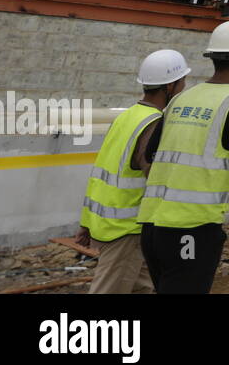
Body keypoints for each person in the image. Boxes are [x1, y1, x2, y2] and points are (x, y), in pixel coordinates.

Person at [139, 21, 229, 294]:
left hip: (151, 226)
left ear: (213, 57)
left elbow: (150, 153)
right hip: (192, 227)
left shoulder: (181, 99)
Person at [77, 49, 190, 294]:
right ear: (170, 86)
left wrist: (86, 222)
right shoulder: (155, 124)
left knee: (144, 286)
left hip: (109, 224)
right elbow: (158, 181)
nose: (183, 88)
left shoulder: (126, 117)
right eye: (182, 83)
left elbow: (100, 172)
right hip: (127, 230)